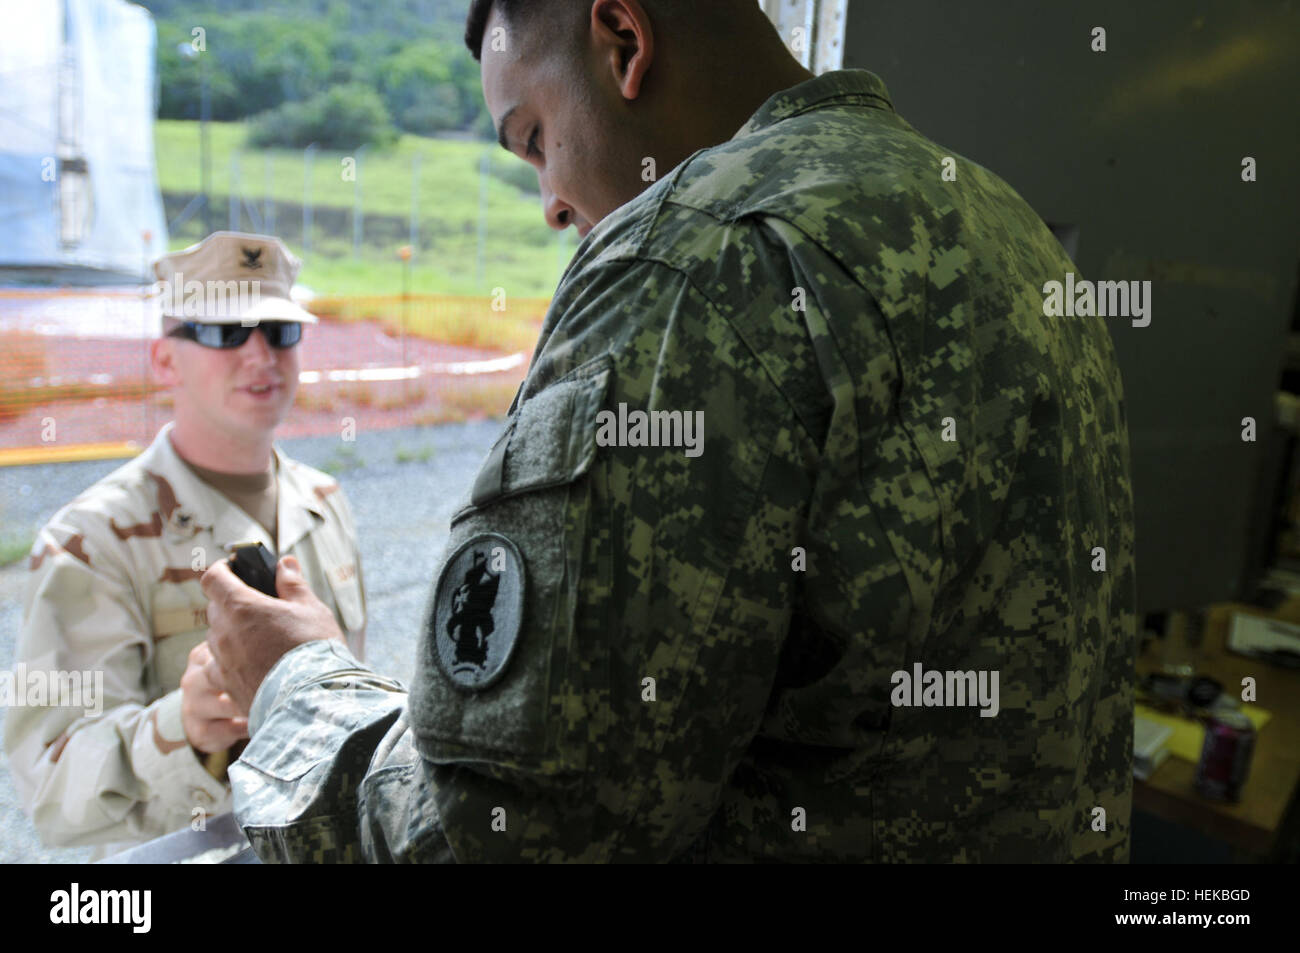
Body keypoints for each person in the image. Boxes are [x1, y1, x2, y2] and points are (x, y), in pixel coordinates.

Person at [204, 0, 1137, 862]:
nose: (552, 204)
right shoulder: (1001, 223)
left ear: (623, 40)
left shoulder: (695, 255)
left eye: (533, 138)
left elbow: (500, 833)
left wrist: (294, 685)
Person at [3, 231, 367, 859]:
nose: (261, 354)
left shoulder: (325, 502)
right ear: (165, 359)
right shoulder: (90, 539)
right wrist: (183, 729)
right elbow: (51, 785)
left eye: (279, 332)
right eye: (224, 332)